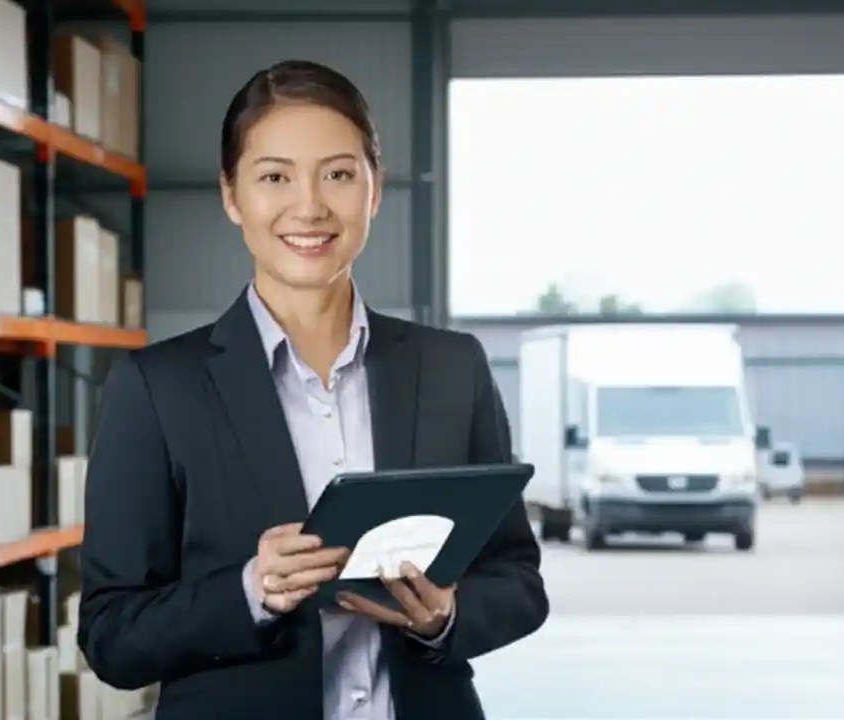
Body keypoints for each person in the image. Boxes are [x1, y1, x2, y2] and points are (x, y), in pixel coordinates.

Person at [76, 59, 549, 719]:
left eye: (339, 174)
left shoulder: (452, 367)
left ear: (374, 190)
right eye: (275, 176)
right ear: (232, 195)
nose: (310, 206)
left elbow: (518, 582)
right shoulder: (158, 388)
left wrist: (444, 616)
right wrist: (250, 592)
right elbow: (111, 636)